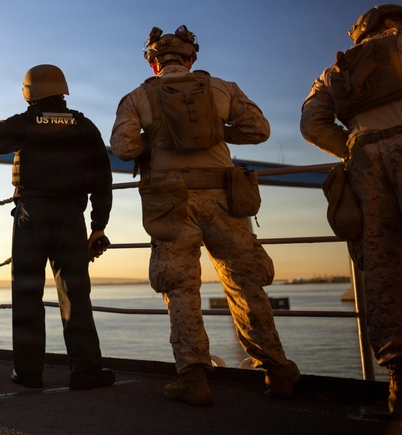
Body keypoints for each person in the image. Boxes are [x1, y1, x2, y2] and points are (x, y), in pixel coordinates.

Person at [110, 25, 298, 406]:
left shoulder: (137, 96)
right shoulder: (223, 87)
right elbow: (259, 129)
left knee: (180, 288)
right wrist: (217, 131)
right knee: (245, 284)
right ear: (192, 58)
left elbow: (123, 146)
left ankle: (193, 379)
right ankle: (276, 371)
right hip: (224, 197)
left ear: (153, 61)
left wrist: (159, 137)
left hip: (171, 201)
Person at [0, 64, 115, 390]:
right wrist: (98, 226)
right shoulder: (85, 125)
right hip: (70, 217)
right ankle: (86, 372)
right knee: (75, 297)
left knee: (27, 296)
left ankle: (29, 374)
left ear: (28, 91)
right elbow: (103, 180)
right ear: (62, 89)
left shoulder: (23, 123)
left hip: (31, 216)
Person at [300, 4, 402, 417]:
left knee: (380, 267)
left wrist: (353, 147)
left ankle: (399, 379)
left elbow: (311, 124)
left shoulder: (334, 71)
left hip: (365, 166)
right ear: (392, 24)